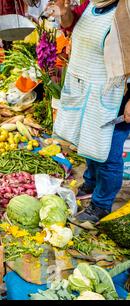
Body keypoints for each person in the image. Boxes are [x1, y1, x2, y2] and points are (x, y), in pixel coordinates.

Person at [49, 0, 130, 222]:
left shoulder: (126, 10)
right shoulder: (89, 4)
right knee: (88, 140)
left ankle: (102, 204)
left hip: (115, 95)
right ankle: (91, 181)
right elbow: (71, 24)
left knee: (108, 152)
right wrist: (64, 13)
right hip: (86, 89)